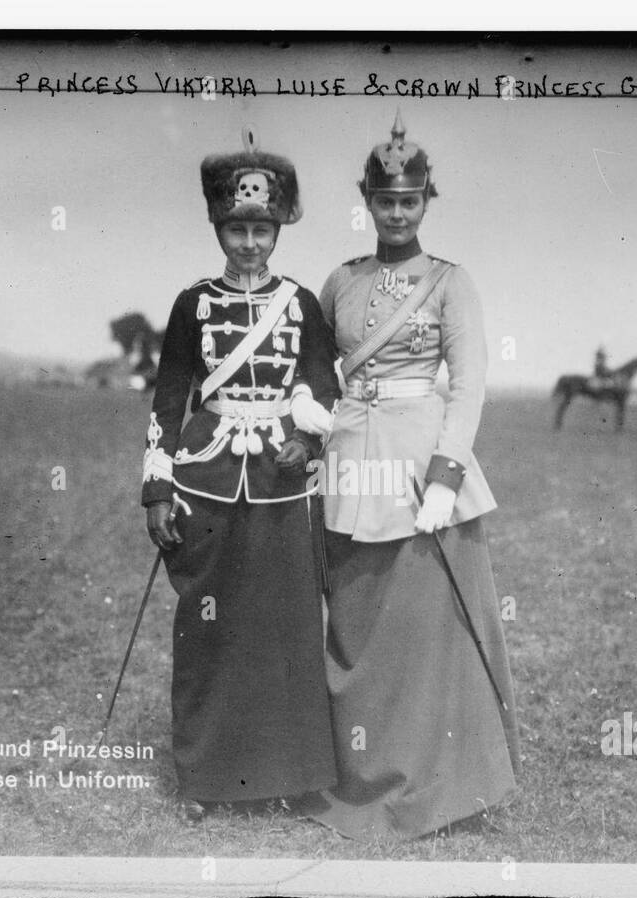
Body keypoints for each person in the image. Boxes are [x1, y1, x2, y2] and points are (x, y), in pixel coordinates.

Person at [290, 113, 521, 840]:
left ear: (426, 201)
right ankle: (358, 774)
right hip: (354, 459)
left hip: (422, 462)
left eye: (410, 201)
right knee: (356, 623)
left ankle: (438, 787)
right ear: (367, 199)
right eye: (384, 200)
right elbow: (315, 369)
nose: (396, 213)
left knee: (426, 630)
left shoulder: (453, 284)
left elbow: (470, 383)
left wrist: (446, 478)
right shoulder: (340, 281)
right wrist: (306, 417)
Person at [141, 128, 340, 820]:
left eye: (261, 228)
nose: (249, 242)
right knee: (208, 626)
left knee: (286, 629)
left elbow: (325, 389)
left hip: (283, 485)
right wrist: (157, 488)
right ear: (217, 225)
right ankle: (207, 777)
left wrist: (307, 446)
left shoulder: (302, 304)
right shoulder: (191, 304)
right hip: (207, 479)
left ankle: (290, 774)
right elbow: (170, 399)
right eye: (236, 227)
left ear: (279, 227)